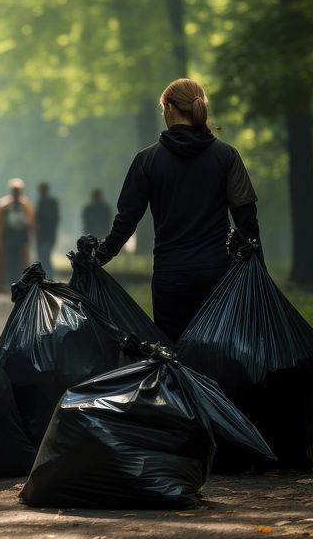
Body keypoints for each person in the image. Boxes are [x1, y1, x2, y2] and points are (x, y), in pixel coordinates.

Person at [96, 78, 260, 342]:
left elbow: (127, 220)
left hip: (170, 274)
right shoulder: (227, 156)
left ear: (170, 108)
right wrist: (257, 270)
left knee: (174, 355)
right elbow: (247, 220)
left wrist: (101, 255)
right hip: (217, 273)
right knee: (219, 352)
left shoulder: (147, 160)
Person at [0, 178, 37, 293]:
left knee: (21, 262)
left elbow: (31, 222)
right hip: (8, 238)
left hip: (21, 238)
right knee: (7, 262)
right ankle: (6, 284)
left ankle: (21, 284)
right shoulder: (4, 205)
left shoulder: (25, 205)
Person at [35, 183, 60, 278]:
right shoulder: (50, 202)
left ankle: (47, 278)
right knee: (45, 257)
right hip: (48, 235)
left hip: (44, 236)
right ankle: (48, 278)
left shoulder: (44, 202)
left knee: (44, 258)